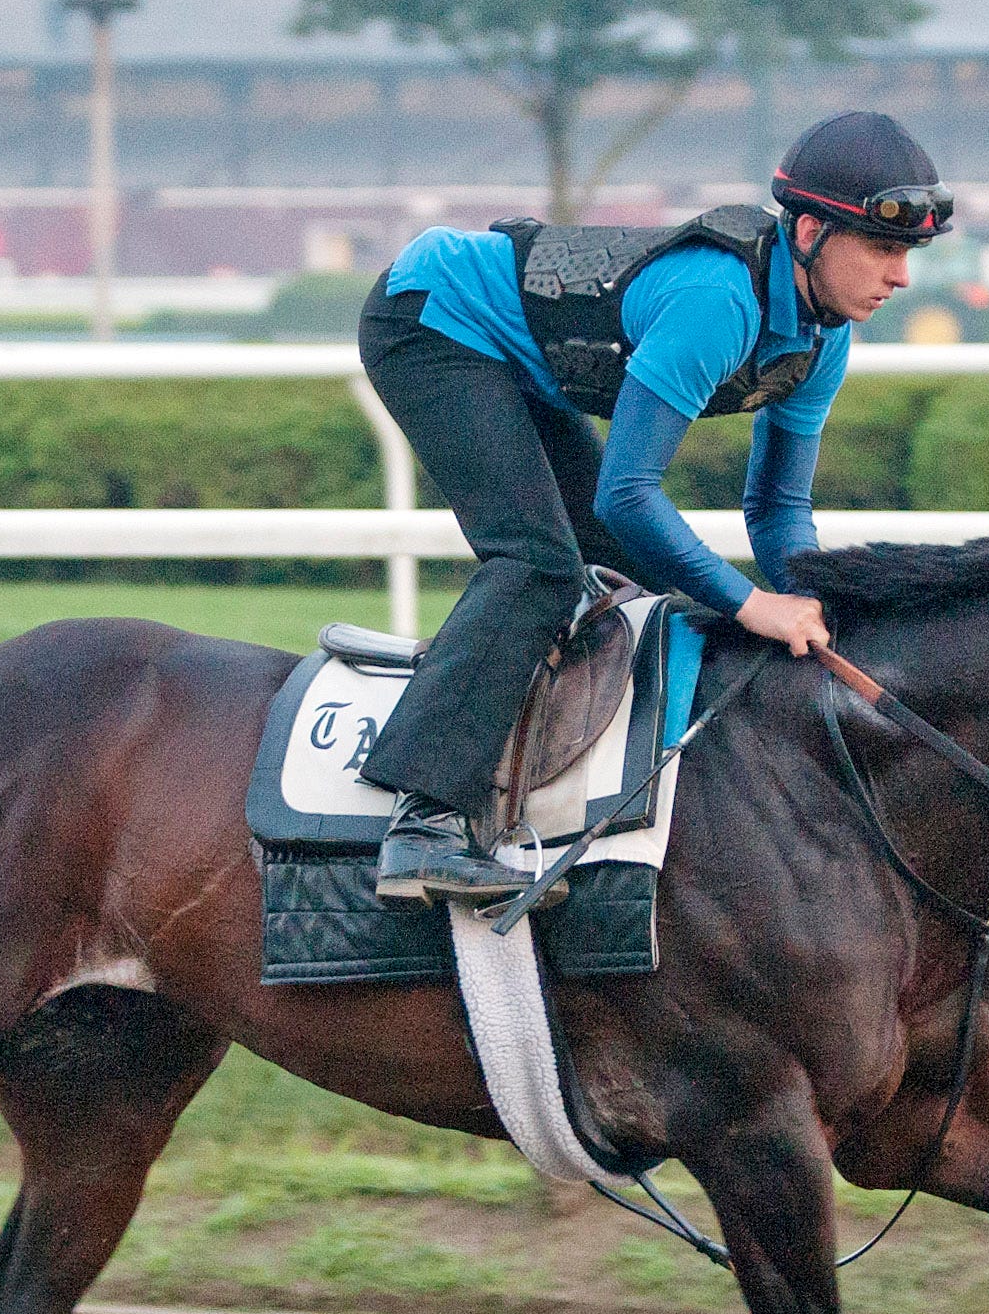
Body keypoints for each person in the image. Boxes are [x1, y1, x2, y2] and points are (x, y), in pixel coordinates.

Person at [357, 110, 952, 902]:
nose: (901, 277)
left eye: (908, 253)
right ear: (809, 231)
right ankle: (424, 824)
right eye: (883, 249)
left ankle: (566, 792)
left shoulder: (824, 336)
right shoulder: (720, 302)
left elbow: (777, 506)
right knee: (539, 564)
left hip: (523, 361)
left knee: (631, 575)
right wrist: (750, 605)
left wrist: (806, 603)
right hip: (433, 317)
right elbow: (628, 493)